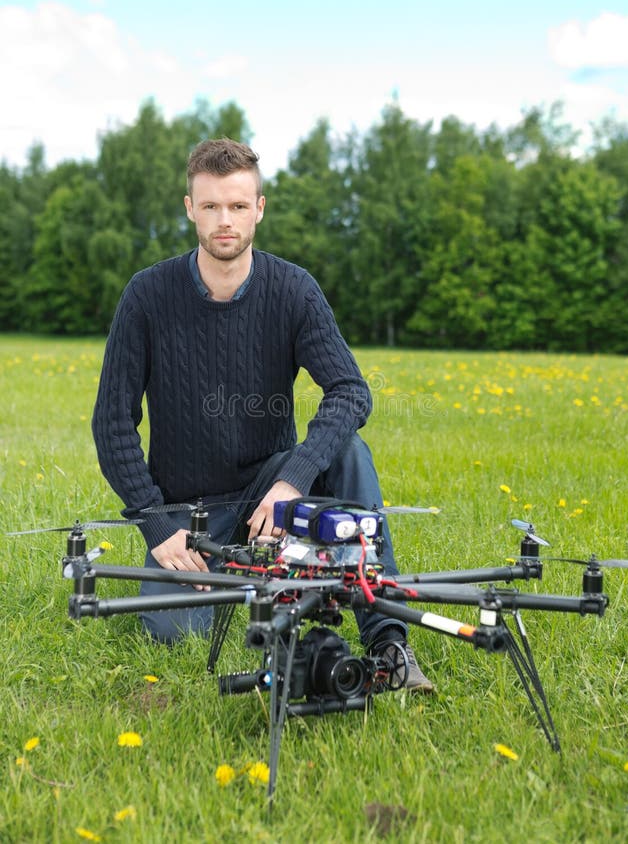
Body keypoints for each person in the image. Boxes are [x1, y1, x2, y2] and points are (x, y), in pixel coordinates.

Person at [92, 137, 432, 692]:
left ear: (259, 208)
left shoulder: (294, 290)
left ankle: (388, 640)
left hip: (270, 500)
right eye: (210, 206)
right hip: (189, 516)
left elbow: (350, 391)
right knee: (175, 630)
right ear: (189, 208)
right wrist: (156, 526)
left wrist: (291, 480)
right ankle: (282, 587)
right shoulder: (146, 296)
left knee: (347, 450)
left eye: (238, 206)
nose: (224, 221)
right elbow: (112, 425)